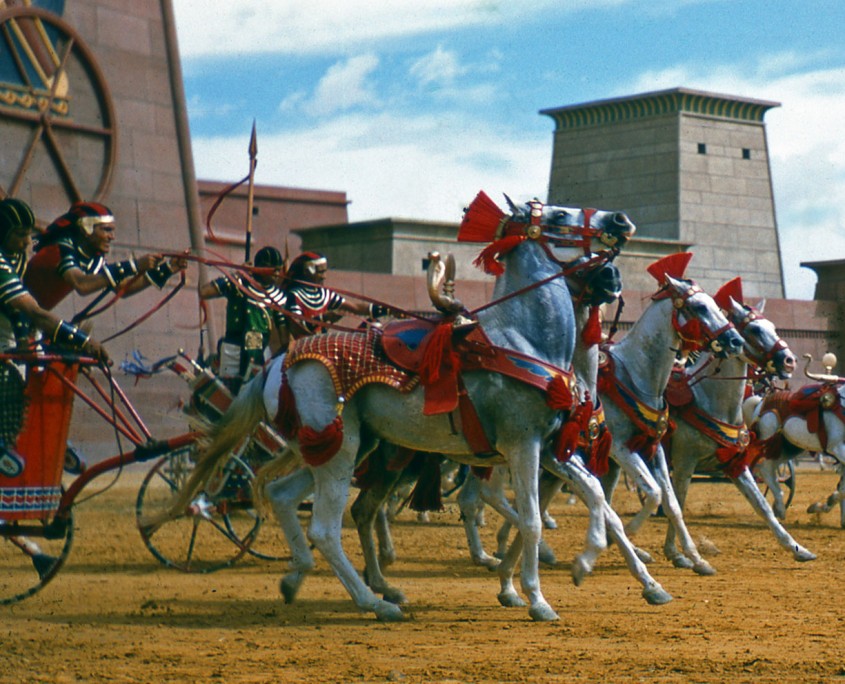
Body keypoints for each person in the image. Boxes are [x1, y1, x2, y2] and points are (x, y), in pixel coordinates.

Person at [0, 198, 107, 464]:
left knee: (40, 371)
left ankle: (38, 440)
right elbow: (32, 310)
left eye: (28, 234)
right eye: (19, 235)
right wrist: (82, 340)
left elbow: (22, 311)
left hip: (12, 329)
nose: (26, 242)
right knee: (10, 382)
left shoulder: (16, 257)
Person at [23, 201, 187, 311]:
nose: (112, 237)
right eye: (106, 230)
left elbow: (122, 288)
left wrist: (167, 269)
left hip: (31, 317)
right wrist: (134, 266)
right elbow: (82, 284)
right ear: (87, 229)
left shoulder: (93, 257)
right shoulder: (60, 249)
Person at [198, 245, 288, 393]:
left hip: (259, 352)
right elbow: (204, 292)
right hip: (233, 348)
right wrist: (236, 275)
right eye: (273, 270)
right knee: (229, 392)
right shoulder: (239, 284)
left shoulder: (278, 297)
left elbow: (284, 337)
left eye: (279, 270)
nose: (277, 275)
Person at [284, 251, 388, 338]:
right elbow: (297, 327)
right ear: (307, 272)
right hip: (303, 346)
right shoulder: (295, 296)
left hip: (322, 343)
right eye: (321, 272)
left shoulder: (325, 294)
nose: (324, 276)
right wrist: (324, 318)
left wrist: (385, 310)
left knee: (374, 324)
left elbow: (354, 307)